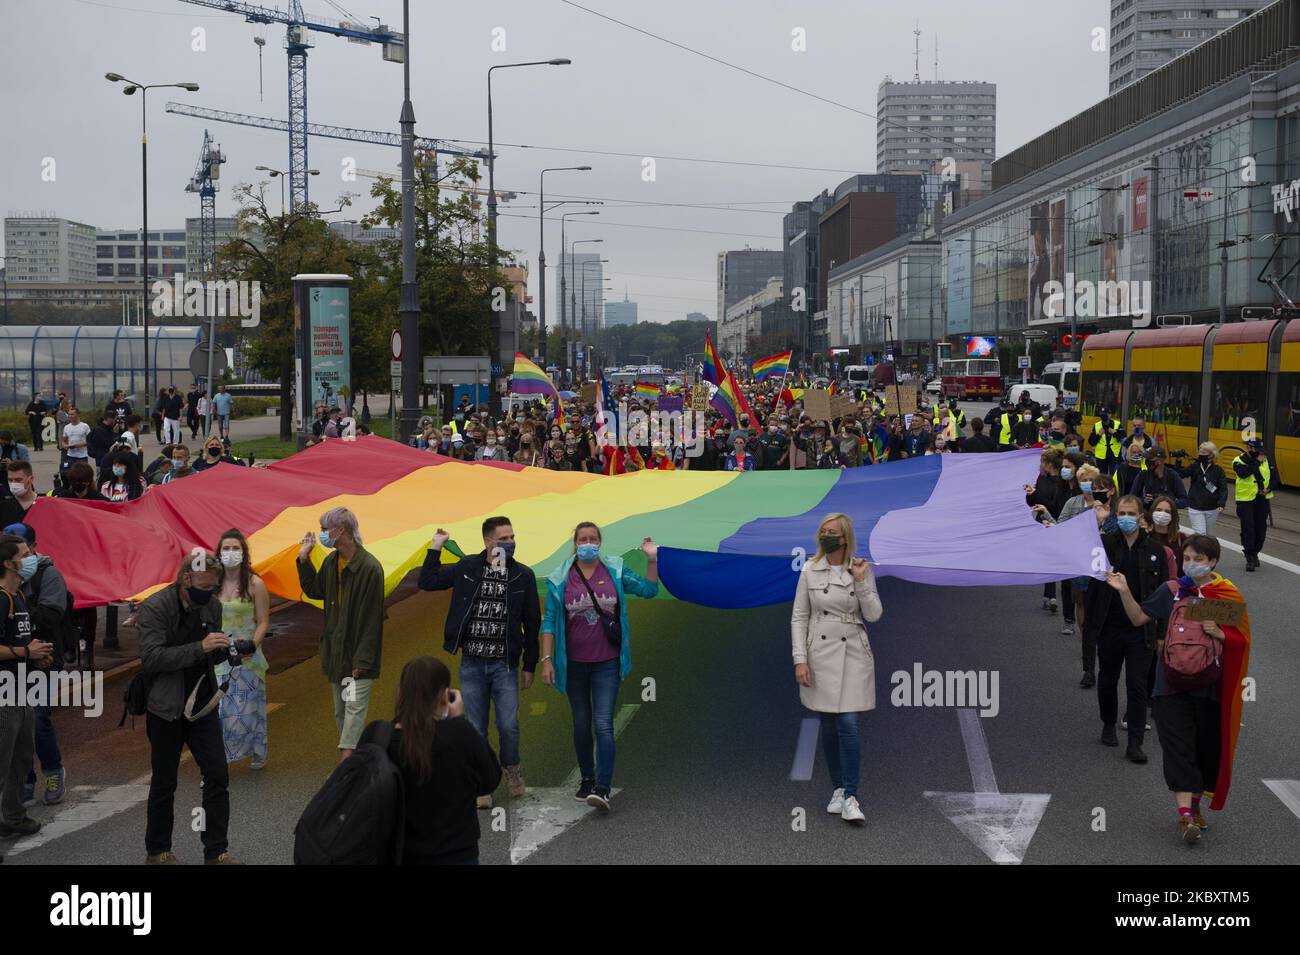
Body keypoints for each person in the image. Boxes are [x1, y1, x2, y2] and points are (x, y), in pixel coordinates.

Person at [1105, 534, 1250, 845]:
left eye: (1198, 559)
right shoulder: (1173, 590)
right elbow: (1138, 618)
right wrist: (1124, 590)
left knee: (1203, 748)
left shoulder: (1225, 595)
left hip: (1209, 687)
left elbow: (1244, 641)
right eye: (1187, 558)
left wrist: (1221, 634)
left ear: (1213, 562)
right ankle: (1185, 816)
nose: (1191, 564)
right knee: (1177, 748)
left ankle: (1195, 807)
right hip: (1168, 684)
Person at [419, 517, 539, 807]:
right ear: (488, 542)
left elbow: (532, 623)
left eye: (512, 537)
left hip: (505, 664)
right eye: (503, 538)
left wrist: (529, 665)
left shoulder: (522, 576)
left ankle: (512, 769)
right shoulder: (468, 568)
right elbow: (428, 581)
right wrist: (435, 548)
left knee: (508, 724)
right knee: (475, 728)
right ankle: (480, 783)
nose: (510, 543)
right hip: (472, 663)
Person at [539, 523, 659, 811]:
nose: (588, 543)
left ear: (600, 543)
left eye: (593, 539)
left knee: (603, 724)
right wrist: (546, 660)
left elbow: (649, 590)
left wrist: (652, 559)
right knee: (581, 724)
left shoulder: (615, 570)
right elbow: (549, 622)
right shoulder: (560, 578)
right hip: (574, 666)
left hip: (607, 663)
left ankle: (603, 788)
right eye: (583, 539)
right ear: (575, 544)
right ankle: (587, 778)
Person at [137, 551, 241, 864]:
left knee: (217, 775)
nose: (209, 593)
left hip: (202, 705)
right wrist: (201, 647)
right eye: (205, 586)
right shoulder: (156, 607)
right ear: (186, 578)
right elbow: (152, 658)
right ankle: (157, 851)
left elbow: (210, 655)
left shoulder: (212, 606)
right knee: (165, 780)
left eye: (213, 587)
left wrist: (228, 651)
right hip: (166, 707)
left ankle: (216, 851)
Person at [359, 657, 501, 864]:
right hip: (456, 854)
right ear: (444, 695)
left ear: (401, 693)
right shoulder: (459, 733)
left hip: (397, 855)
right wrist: (458, 720)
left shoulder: (377, 735)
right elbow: (490, 779)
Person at [790, 513, 883, 825]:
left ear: (845, 539)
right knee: (829, 727)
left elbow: (874, 615)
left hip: (854, 651)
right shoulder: (809, 571)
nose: (826, 536)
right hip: (820, 654)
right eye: (823, 531)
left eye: (832, 532)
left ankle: (852, 795)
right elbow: (799, 617)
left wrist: (860, 582)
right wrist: (800, 659)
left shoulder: (860, 569)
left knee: (849, 723)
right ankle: (838, 789)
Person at [1082, 495, 1170, 765]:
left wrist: (1161, 634)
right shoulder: (1105, 545)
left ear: (1141, 517)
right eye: (1121, 513)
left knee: (1137, 685)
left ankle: (1135, 742)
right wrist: (1089, 624)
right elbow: (1093, 585)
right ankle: (1108, 723)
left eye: (1130, 513)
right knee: (1107, 678)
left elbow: (1164, 593)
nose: (1125, 518)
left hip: (1140, 628)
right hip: (1109, 625)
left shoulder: (1155, 550)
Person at [297, 507, 384, 761]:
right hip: (337, 654)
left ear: (341, 530)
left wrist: (362, 661)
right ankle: (357, 762)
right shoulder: (331, 562)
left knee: (354, 711)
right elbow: (315, 591)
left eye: (325, 529)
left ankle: (347, 765)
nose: (322, 534)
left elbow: (371, 621)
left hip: (357, 656)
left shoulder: (369, 568)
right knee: (342, 713)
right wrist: (304, 559)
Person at [0, 533, 55, 846]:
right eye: (24, 553)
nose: (31, 556)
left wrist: (37, 657)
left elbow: (20, 642)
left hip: (21, 687)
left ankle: (12, 817)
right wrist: (25, 653)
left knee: (21, 757)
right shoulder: (1, 598)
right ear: (8, 563)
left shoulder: (17, 596)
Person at [9, 523, 69, 806]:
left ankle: (53, 771)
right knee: (16, 726)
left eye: (24, 549)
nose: (23, 558)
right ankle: (25, 779)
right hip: (15, 661)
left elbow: (50, 617)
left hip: (44, 658)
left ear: (33, 547)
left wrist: (18, 605)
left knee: (38, 719)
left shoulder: (48, 574)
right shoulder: (6, 583)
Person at [212, 529, 270, 769]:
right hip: (218, 659)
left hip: (247, 659)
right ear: (219, 553)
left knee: (248, 710)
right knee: (220, 712)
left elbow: (264, 620)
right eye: (226, 548)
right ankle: (216, 762)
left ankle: (257, 750)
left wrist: (252, 644)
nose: (230, 553)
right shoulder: (212, 584)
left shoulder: (256, 584)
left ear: (244, 553)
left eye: (236, 548)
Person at [1025, 448, 1070, 617]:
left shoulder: (1061, 483)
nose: (1040, 465)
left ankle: (1055, 596)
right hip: (1042, 522)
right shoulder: (1041, 478)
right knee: (1049, 557)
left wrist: (1037, 496)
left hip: (1058, 521)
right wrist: (1031, 494)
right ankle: (1050, 595)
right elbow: (1033, 502)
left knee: (1059, 558)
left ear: (1049, 464)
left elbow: (1053, 505)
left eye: (1042, 462)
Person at [1232, 437, 1275, 572]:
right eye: (1256, 449)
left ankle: (1256, 551)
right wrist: (1256, 462)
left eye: (1261, 450)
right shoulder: (1238, 461)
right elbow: (1244, 474)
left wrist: (1269, 488)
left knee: (1261, 529)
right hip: (1245, 500)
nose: (1260, 453)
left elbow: (1275, 478)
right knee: (1248, 529)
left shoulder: (1267, 460)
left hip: (1262, 499)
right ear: (1249, 448)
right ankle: (1249, 557)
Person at [1179, 441, 1228, 536]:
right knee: (1200, 533)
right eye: (1200, 452)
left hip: (1212, 507)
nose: (1201, 455)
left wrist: (1222, 502)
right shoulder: (1195, 467)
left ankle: (1205, 550)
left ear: (1212, 454)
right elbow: (1180, 474)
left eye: (1204, 453)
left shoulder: (1218, 470)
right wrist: (1178, 461)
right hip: (1195, 506)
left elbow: (1223, 488)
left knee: (1208, 535)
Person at [1148, 494, 1186, 579]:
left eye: (1167, 512)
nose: (1162, 514)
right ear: (1152, 512)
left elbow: (1184, 569)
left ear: (1173, 516)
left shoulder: (1181, 539)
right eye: (1159, 510)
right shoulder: (1145, 536)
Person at [0, 462, 40, 528]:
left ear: (31, 479)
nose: (13, 483)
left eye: (18, 480)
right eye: (10, 480)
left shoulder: (43, 506)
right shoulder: (3, 507)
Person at [1089, 406, 1123, 475]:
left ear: (1110, 415)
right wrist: (1098, 435)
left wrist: (1115, 433)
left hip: (1114, 455)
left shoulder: (1117, 424)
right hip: (1101, 456)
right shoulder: (1096, 425)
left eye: (1105, 414)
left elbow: (1123, 437)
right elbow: (1091, 442)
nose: (1103, 416)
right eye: (1102, 414)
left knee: (1115, 476)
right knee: (1102, 476)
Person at [61, 406, 91, 473]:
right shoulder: (67, 427)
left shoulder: (85, 426)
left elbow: (90, 440)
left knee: (83, 474)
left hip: (82, 456)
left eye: (72, 414)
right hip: (70, 456)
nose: (70, 416)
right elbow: (63, 441)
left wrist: (82, 444)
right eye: (69, 414)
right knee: (71, 475)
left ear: (77, 414)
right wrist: (65, 445)